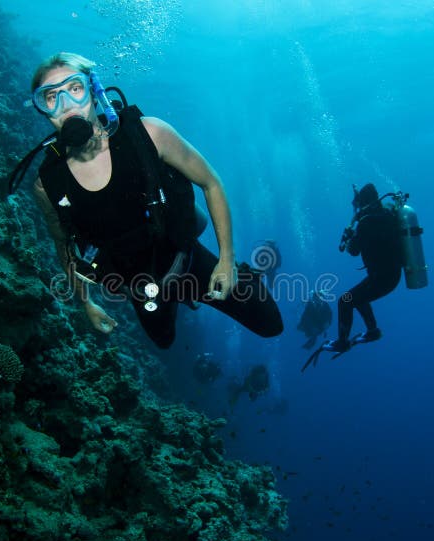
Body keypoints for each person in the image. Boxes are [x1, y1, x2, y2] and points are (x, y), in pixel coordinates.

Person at [26, 52, 283, 348]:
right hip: (139, 287)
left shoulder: (150, 133)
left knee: (270, 324)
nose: (66, 105)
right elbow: (64, 246)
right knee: (164, 341)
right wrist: (86, 305)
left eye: (75, 88)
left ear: (94, 91)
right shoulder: (48, 184)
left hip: (186, 261)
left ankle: (232, 277)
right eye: (51, 97)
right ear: (43, 108)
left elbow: (210, 182)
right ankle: (180, 301)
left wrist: (226, 260)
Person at [330, 183, 404, 352]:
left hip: (381, 280)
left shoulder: (366, 223)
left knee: (345, 301)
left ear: (362, 202)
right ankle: (372, 331)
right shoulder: (388, 213)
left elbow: (353, 251)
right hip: (391, 276)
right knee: (358, 297)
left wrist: (349, 236)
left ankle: (342, 343)